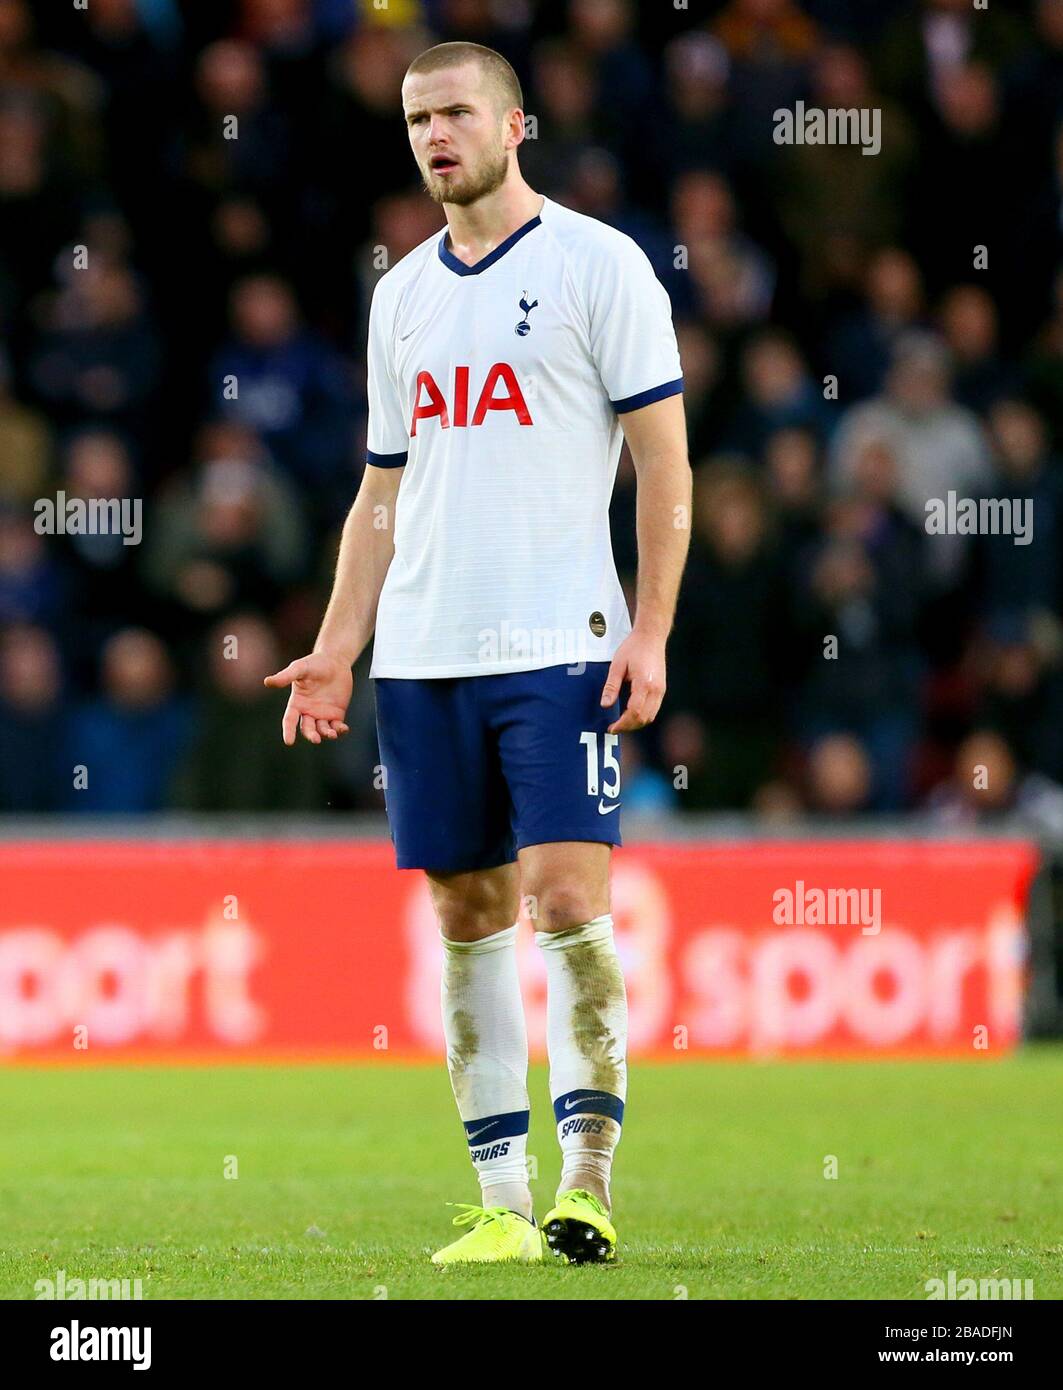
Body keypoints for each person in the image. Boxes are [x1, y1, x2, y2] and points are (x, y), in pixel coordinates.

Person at [264, 40, 690, 1267]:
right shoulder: (400, 294)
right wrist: (339, 645)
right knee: (466, 913)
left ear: (517, 126)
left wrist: (652, 626)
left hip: (564, 640)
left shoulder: (596, 266)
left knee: (566, 900)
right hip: (426, 652)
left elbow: (664, 464)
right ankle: (501, 1203)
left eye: (455, 111)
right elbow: (383, 490)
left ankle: (589, 1183)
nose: (433, 134)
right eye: (415, 118)